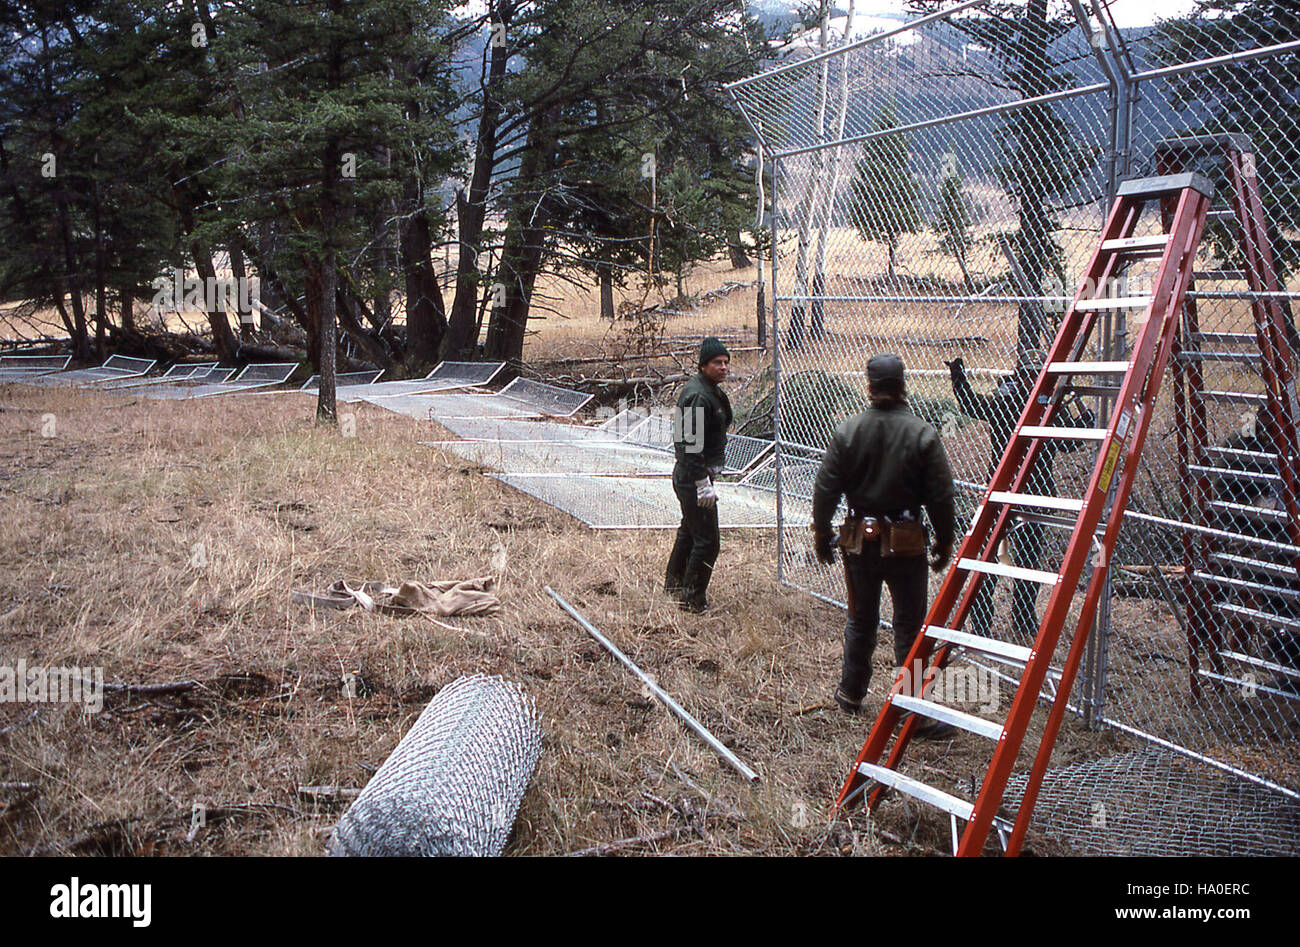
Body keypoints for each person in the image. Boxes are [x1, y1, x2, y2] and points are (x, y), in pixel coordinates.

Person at [812, 353, 957, 733]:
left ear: (870, 386)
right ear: (903, 384)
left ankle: (850, 694)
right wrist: (944, 542)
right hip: (908, 546)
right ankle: (912, 712)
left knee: (861, 620)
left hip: (859, 544)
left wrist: (822, 532)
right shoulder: (923, 434)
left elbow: (826, 488)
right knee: (910, 626)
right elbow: (941, 496)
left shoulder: (848, 431)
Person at [944, 355, 1093, 642]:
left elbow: (1067, 443)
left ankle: (1010, 620)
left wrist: (958, 376)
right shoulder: (1034, 406)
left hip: (1017, 493)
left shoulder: (1032, 407)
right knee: (1006, 559)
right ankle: (1006, 620)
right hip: (1019, 494)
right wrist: (1084, 421)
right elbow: (1069, 443)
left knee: (1013, 559)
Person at [665, 337, 732, 613]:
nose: (724, 367)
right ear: (704, 365)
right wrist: (702, 484)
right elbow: (689, 445)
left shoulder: (709, 390)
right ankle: (692, 599)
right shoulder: (698, 396)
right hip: (693, 477)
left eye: (726, 362)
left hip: (692, 475)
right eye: (717, 362)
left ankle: (674, 585)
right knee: (708, 541)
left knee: (690, 531)